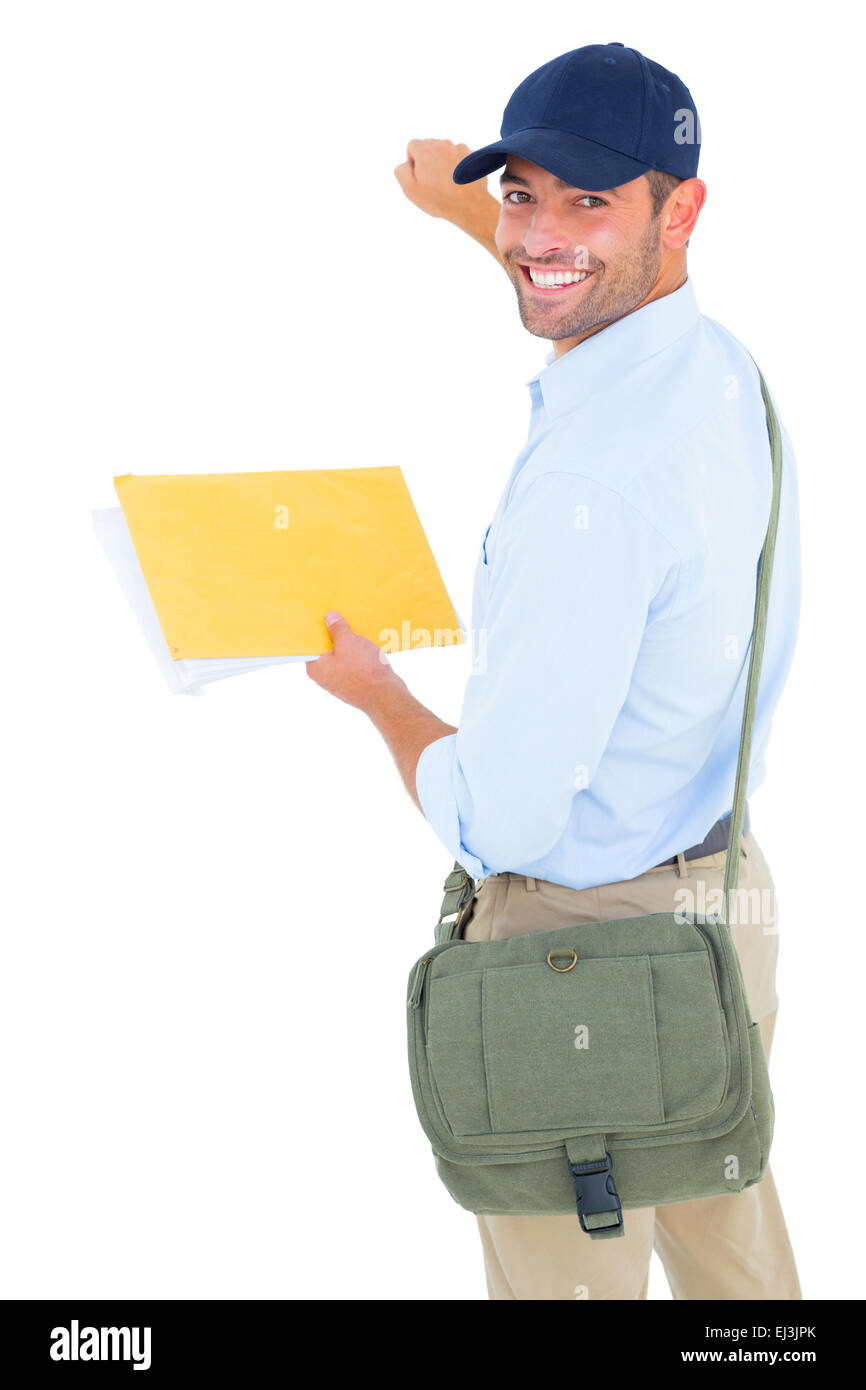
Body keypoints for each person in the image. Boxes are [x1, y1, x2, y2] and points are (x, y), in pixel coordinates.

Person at [307, 42, 802, 1300]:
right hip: (717, 911)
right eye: (522, 193)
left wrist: (382, 697)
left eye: (588, 199)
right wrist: (473, 214)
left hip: (578, 950)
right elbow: (583, 274)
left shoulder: (589, 493)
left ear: (678, 210)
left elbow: (503, 817)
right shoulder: (715, 367)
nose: (540, 235)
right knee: (736, 1274)